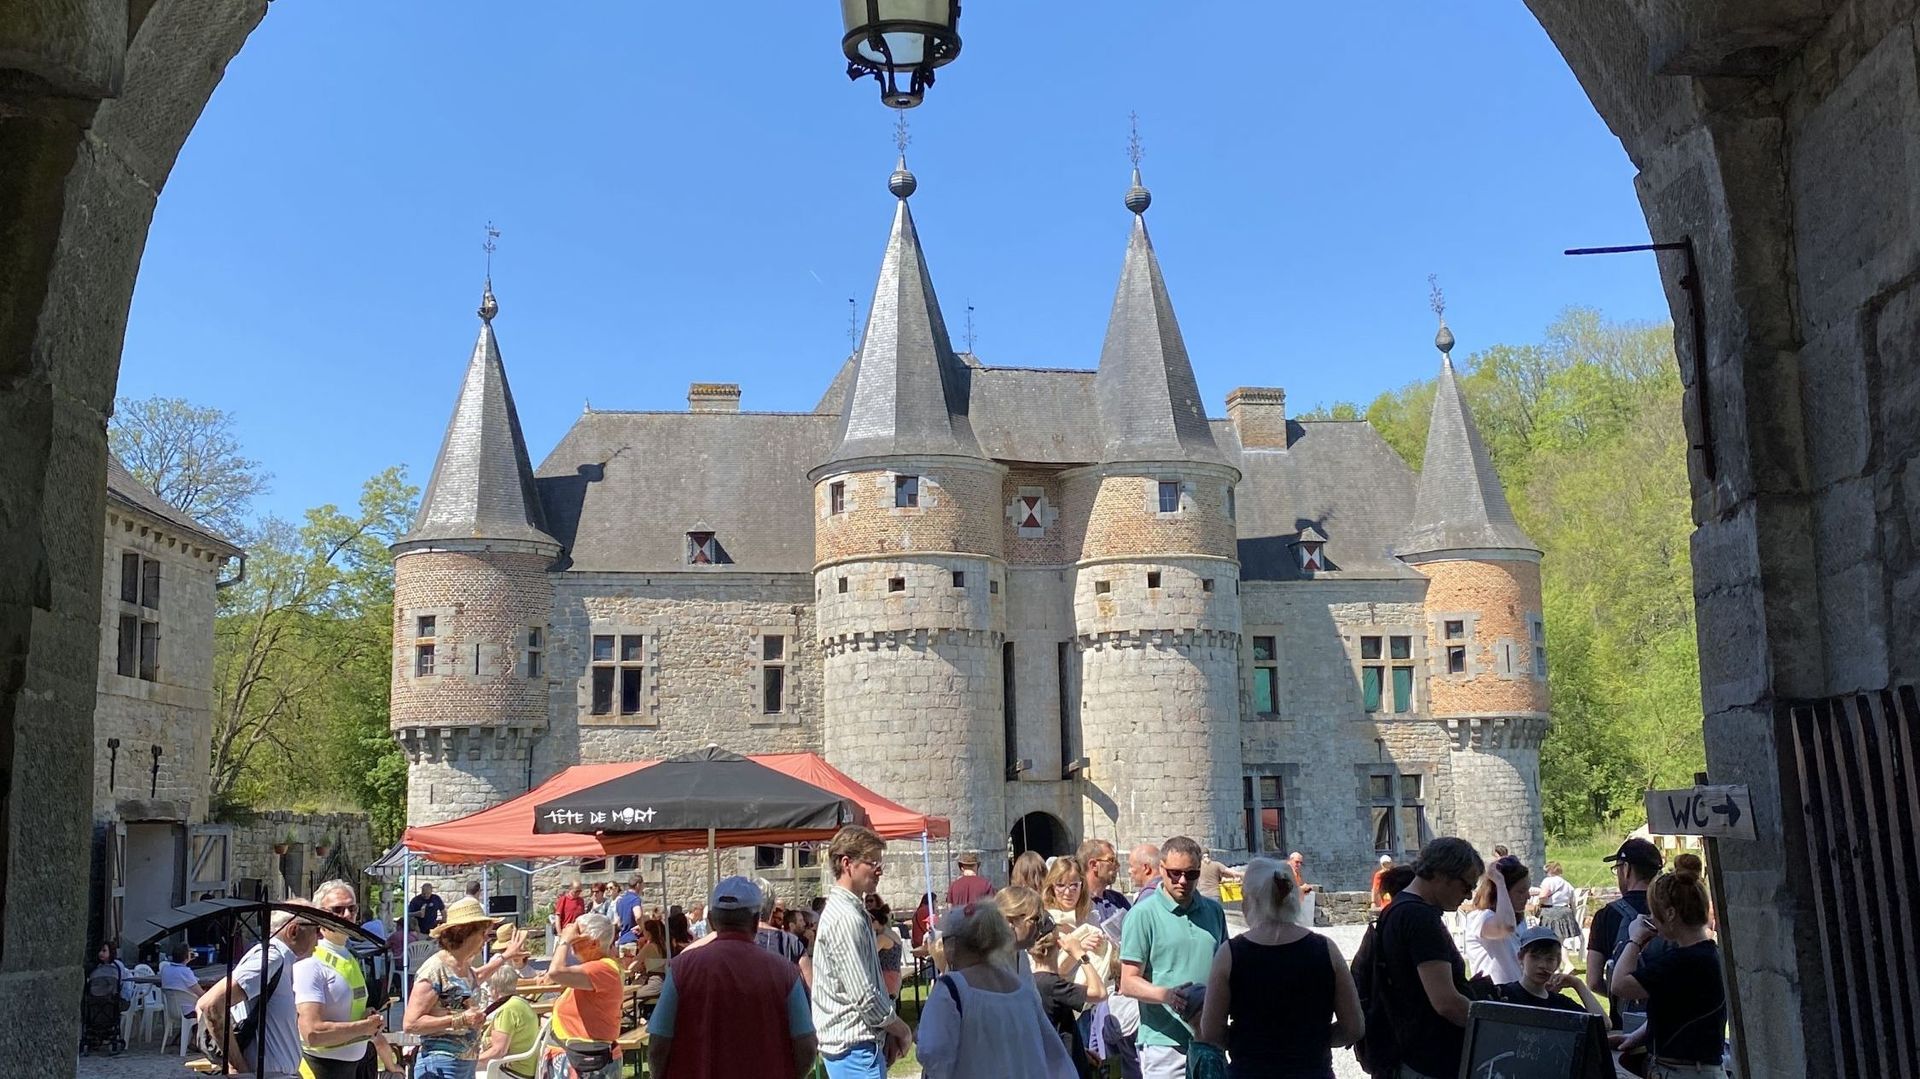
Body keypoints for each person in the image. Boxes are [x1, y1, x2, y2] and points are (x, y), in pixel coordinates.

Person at [1197, 857, 1363, 1079]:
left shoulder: (1230, 954)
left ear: (1251, 900)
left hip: (1250, 1071)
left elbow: (1211, 1031)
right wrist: (1315, 1038)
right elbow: (1354, 1027)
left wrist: (1247, 1041)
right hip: (1311, 1070)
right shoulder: (1325, 949)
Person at [649, 876, 818, 1079]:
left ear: (711, 921)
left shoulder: (682, 968)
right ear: (756, 922)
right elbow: (806, 1045)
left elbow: (659, 1041)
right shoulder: (784, 972)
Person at [915, 902, 1078, 1079]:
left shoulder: (951, 989)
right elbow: (1055, 1056)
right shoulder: (1023, 990)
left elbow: (932, 1051)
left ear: (952, 944)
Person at [1119, 836, 1229, 1079]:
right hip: (1164, 1041)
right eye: (1174, 873)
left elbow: (1226, 971)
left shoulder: (1214, 911)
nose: (1182, 881)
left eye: (1191, 874)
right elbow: (1127, 982)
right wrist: (1167, 995)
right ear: (1161, 869)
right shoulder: (1142, 915)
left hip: (1210, 1037)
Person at [1373, 836, 1483, 1079]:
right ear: (1443, 875)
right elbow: (1446, 1003)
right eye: (1467, 886)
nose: (1468, 896)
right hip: (1427, 1059)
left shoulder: (1397, 909)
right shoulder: (1420, 918)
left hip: (1406, 1052)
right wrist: (1493, 1025)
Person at [811, 825, 911, 1078]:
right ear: (848, 864)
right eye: (872, 862)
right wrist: (900, 1028)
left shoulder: (854, 912)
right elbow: (864, 995)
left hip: (859, 1045)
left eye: (880, 862)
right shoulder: (845, 917)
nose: (879, 870)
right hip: (853, 1048)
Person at [1610, 868, 1727, 1079]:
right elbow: (1677, 1011)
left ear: (1670, 914)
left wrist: (1635, 939)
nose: (1652, 918)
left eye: (1654, 913)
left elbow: (1619, 985)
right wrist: (1636, 1037)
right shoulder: (1706, 955)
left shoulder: (1683, 961)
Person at [197, 908, 320, 1079]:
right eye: (317, 929)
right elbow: (210, 1005)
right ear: (293, 931)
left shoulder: (279, 959)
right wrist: (238, 1067)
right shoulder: (272, 958)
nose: (320, 937)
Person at [296, 879, 398, 1078]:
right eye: (337, 910)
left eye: (352, 908)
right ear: (321, 914)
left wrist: (367, 1015)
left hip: (353, 1067)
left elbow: (346, 1011)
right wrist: (364, 1027)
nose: (347, 915)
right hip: (320, 1069)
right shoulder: (310, 962)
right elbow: (311, 1033)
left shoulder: (347, 956)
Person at [403, 895, 496, 1079]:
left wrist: (505, 957)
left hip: (465, 1064)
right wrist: (460, 1020)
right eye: (483, 933)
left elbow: (473, 980)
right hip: (440, 1064)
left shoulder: (462, 964)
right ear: (465, 932)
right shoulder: (434, 969)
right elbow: (410, 1024)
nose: (486, 939)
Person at [1586, 837, 1664, 1040]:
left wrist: (1621, 994)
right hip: (1667, 1027)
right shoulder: (1672, 912)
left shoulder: (1606, 916)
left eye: (1617, 868)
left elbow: (1593, 981)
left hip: (1624, 1029)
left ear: (1626, 869)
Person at [540, 912, 625, 1079]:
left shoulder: (603, 968)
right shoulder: (596, 968)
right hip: (575, 1054)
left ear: (593, 943)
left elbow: (556, 972)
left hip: (584, 1060)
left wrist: (564, 940)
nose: (572, 943)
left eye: (577, 939)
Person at [1030, 917, 1110, 1079]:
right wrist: (1080, 953)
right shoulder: (1052, 985)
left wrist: (1081, 1050)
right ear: (1057, 945)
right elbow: (1099, 992)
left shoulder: (1031, 982)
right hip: (1065, 1070)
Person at [1491, 927, 1604, 1017]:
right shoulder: (1502, 995)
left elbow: (1603, 1024)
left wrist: (1577, 984)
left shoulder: (1561, 1004)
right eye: (1535, 957)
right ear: (1520, 957)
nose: (1542, 965)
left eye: (1550, 959)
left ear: (1558, 962)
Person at [1463, 855, 1530, 984]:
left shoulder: (1518, 919)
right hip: (1494, 996)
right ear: (1500, 892)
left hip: (1516, 994)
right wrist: (1500, 882)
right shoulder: (1480, 918)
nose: (1527, 896)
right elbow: (1506, 927)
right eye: (1520, 891)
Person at [477, 964, 539, 1079]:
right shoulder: (521, 1003)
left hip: (513, 1070)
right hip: (528, 1065)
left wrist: (470, 1061)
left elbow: (498, 1051)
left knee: (462, 1072)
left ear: (495, 988)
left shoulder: (507, 1010)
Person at [1079, 839, 1132, 925]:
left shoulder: (1118, 900)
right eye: (1111, 860)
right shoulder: (1077, 901)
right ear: (1093, 865)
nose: (1117, 865)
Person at [866, 894, 905, 1000]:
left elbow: (868, 954)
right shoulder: (891, 934)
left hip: (886, 978)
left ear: (876, 922)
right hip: (894, 976)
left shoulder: (882, 938)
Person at [1535, 861, 1581, 948]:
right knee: (1560, 942)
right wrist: (1574, 917)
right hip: (1565, 912)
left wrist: (1539, 904)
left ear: (1549, 871)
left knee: (1548, 939)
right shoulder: (1567, 884)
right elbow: (1572, 903)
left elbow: (1543, 896)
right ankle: (1564, 960)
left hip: (1550, 912)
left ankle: (1563, 961)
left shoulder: (1548, 881)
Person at [613, 876, 645, 946]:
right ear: (638, 885)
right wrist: (641, 926)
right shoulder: (635, 899)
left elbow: (619, 922)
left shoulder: (620, 900)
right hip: (633, 938)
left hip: (622, 940)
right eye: (642, 885)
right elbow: (638, 916)